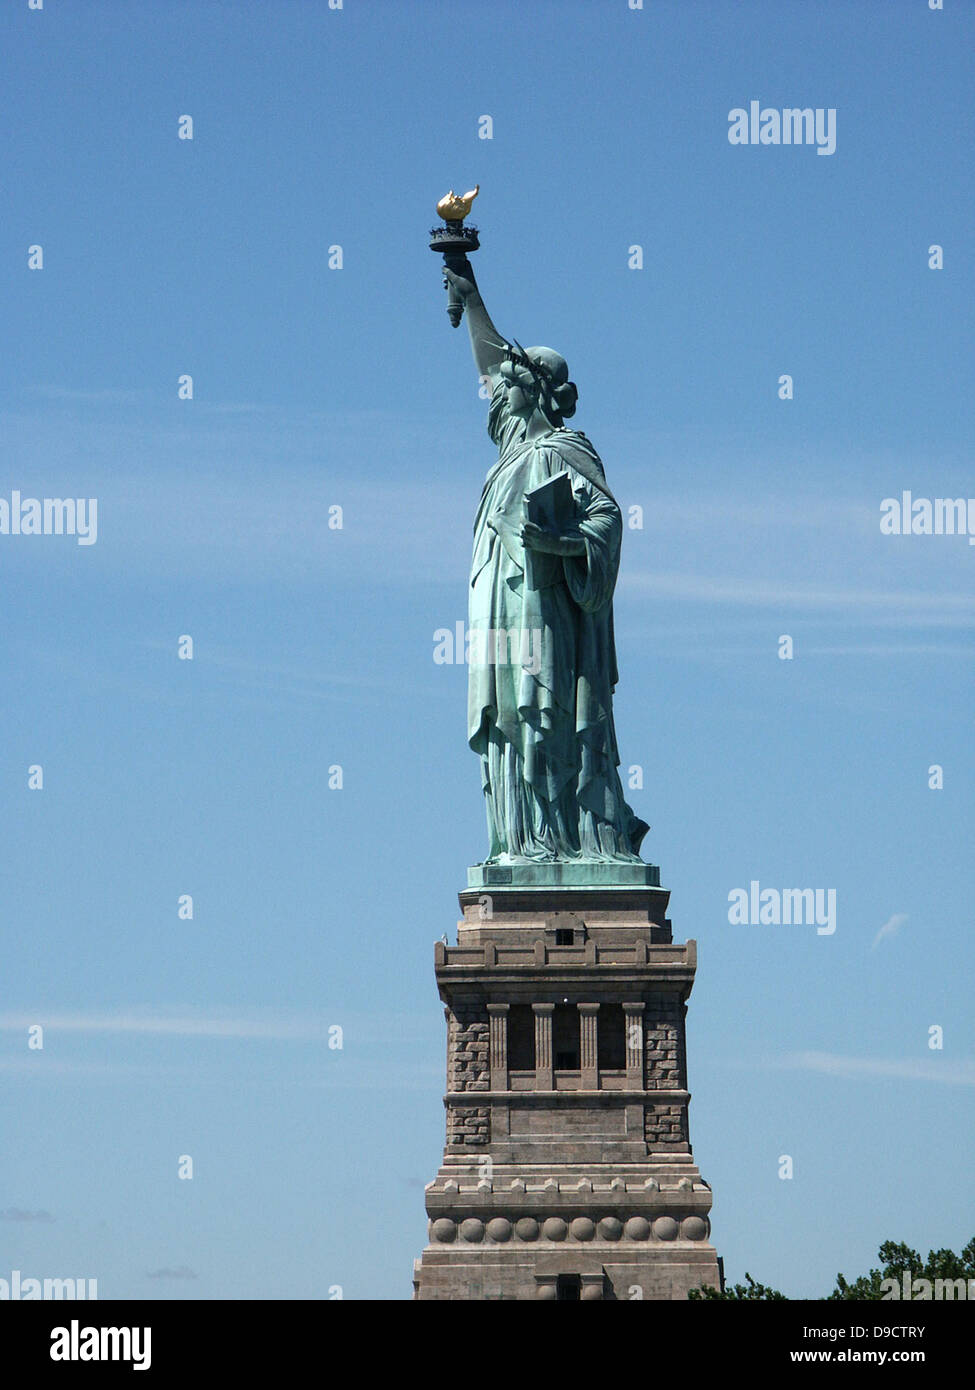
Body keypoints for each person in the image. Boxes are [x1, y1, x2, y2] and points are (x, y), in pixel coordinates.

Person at [442, 258, 648, 864]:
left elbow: (606, 522)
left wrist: (558, 544)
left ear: (530, 389)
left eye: (504, 387)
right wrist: (469, 290)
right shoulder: (511, 451)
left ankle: (564, 841)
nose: (491, 396)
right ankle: (523, 843)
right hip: (502, 615)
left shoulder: (565, 451)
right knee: (510, 721)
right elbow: (489, 365)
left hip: (548, 613)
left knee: (548, 719)